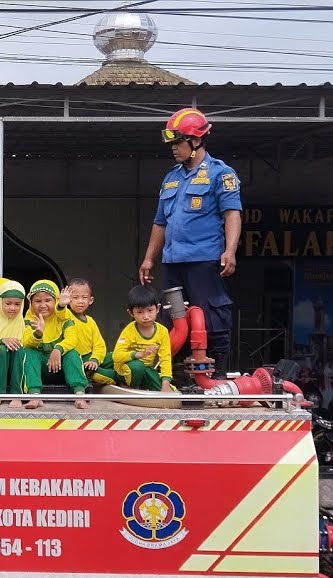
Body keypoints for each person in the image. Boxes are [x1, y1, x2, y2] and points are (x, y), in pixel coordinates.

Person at [138, 107, 241, 377]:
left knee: (209, 317)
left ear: (196, 141)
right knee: (173, 318)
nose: (174, 148)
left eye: (178, 142)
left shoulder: (222, 173)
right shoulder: (171, 177)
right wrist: (149, 258)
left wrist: (229, 251)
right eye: (172, 143)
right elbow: (160, 222)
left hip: (204, 259)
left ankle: (215, 373)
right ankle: (178, 374)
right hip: (173, 261)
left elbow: (232, 213)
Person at [20, 280, 88, 410]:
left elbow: (73, 339)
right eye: (38, 301)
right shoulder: (29, 320)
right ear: (31, 303)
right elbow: (26, 342)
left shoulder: (64, 319)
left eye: (48, 300)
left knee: (72, 353)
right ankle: (34, 395)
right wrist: (38, 333)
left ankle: (79, 394)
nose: (43, 305)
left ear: (56, 301)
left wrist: (58, 349)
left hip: (62, 370)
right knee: (28, 353)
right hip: (41, 372)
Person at [112, 285, 174, 393]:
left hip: (147, 369)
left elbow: (165, 359)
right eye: (140, 312)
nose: (146, 316)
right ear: (131, 313)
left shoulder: (162, 331)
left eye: (150, 310)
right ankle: (128, 386)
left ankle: (146, 384)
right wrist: (139, 354)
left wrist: (165, 384)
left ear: (158, 308)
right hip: (127, 368)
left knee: (169, 390)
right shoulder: (129, 330)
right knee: (137, 366)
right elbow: (116, 356)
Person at [57, 278, 116, 387]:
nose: (80, 301)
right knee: (103, 374)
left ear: (91, 300)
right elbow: (59, 313)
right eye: (75, 297)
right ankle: (115, 377)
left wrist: (95, 360)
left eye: (84, 297)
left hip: (91, 357)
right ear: (68, 299)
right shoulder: (66, 316)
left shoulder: (91, 321)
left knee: (116, 357)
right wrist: (61, 305)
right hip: (76, 360)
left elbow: (99, 345)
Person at [0, 280, 28, 409]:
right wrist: (1, 340)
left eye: (17, 304)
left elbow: (23, 342)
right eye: (8, 303)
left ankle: (17, 395)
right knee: (1, 350)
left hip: (13, 366)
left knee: (19, 350)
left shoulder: (20, 320)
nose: (13, 308)